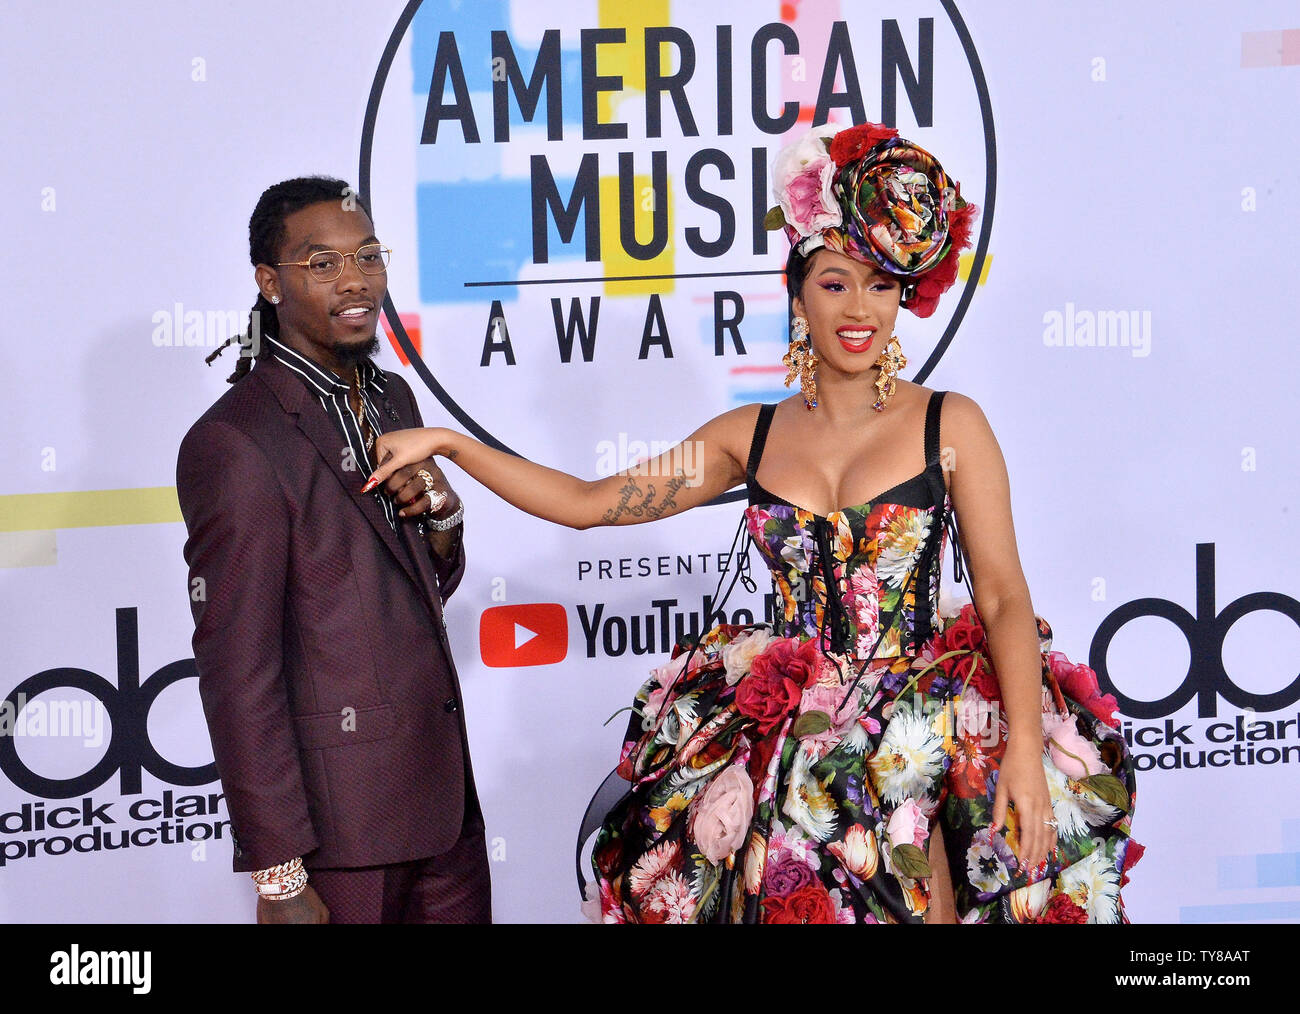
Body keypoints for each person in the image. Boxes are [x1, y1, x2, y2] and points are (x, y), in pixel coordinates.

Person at [364, 122, 1142, 924]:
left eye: (881, 286)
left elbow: (1006, 597)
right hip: (797, 744)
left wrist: (1019, 746)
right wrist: (454, 444)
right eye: (837, 282)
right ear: (798, 288)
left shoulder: (953, 425)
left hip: (929, 730)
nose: (861, 311)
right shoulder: (751, 437)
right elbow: (589, 503)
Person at [176, 177, 491, 924]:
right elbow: (237, 669)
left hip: (447, 815)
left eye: (369, 257)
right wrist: (280, 876)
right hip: (339, 844)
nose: (355, 281)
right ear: (269, 281)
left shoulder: (394, 401)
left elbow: (412, 590)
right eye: (321, 264)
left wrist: (443, 516)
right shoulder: (236, 441)